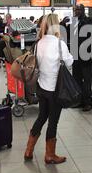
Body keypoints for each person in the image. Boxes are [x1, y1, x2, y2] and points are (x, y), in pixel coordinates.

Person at [23, 14, 73, 164]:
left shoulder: (38, 43)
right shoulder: (59, 44)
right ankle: (50, 155)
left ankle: (28, 150)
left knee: (41, 117)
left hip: (41, 87)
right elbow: (69, 62)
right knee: (53, 121)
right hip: (55, 89)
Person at [68, 4, 92, 112]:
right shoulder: (73, 23)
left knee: (87, 80)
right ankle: (79, 101)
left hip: (87, 57)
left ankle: (88, 102)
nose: (76, 11)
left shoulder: (89, 22)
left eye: (78, 9)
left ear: (83, 10)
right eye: (75, 10)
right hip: (75, 57)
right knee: (76, 80)